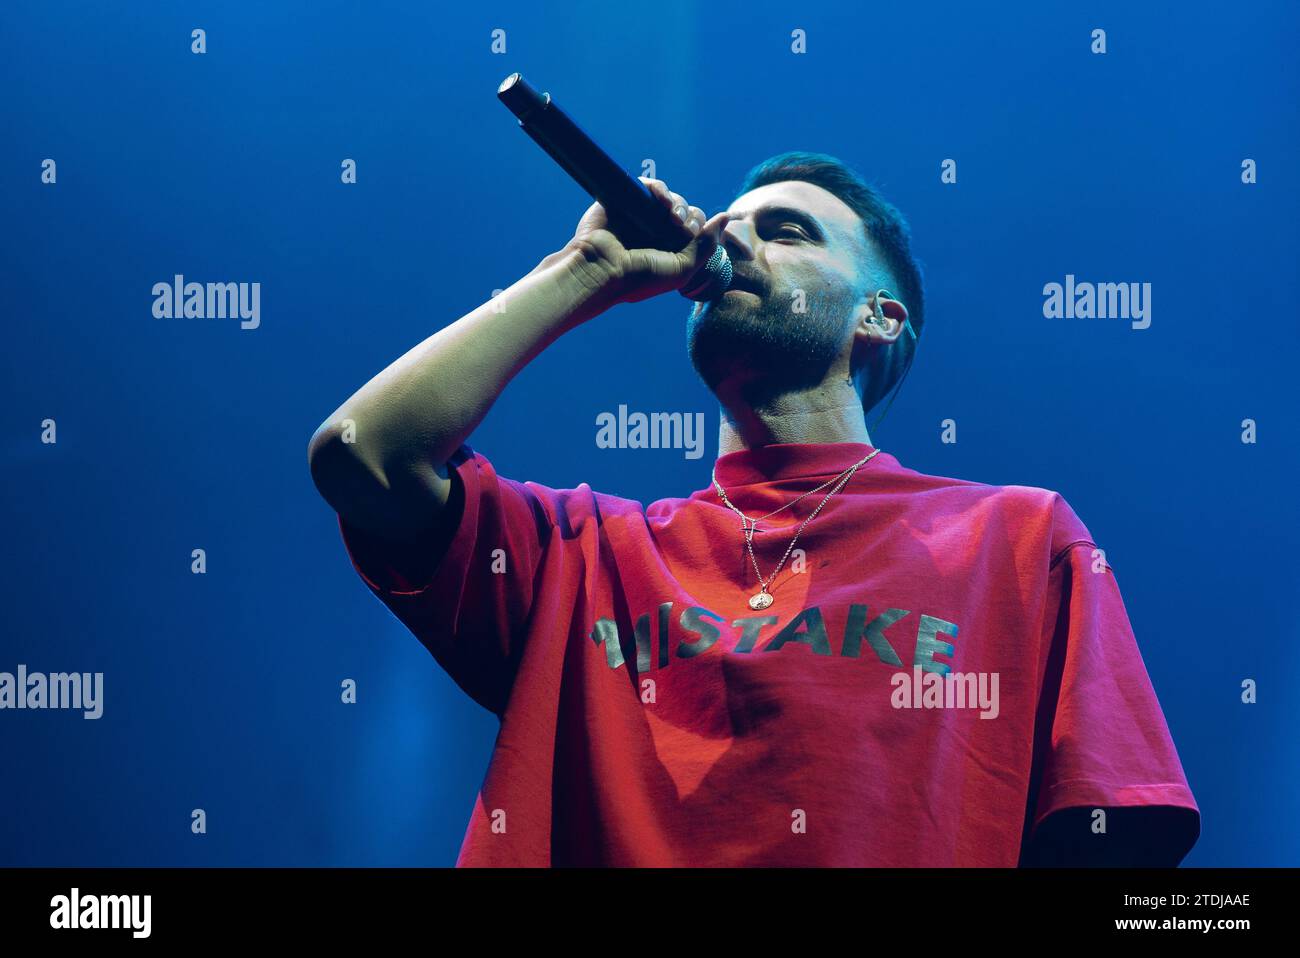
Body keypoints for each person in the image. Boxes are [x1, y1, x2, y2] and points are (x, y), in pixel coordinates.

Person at [307, 151, 1199, 867]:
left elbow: (1109, 841)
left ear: (877, 317)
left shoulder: (1016, 536)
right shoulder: (586, 552)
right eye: (731, 227)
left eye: (787, 231)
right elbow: (363, 454)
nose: (733, 243)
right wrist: (587, 270)